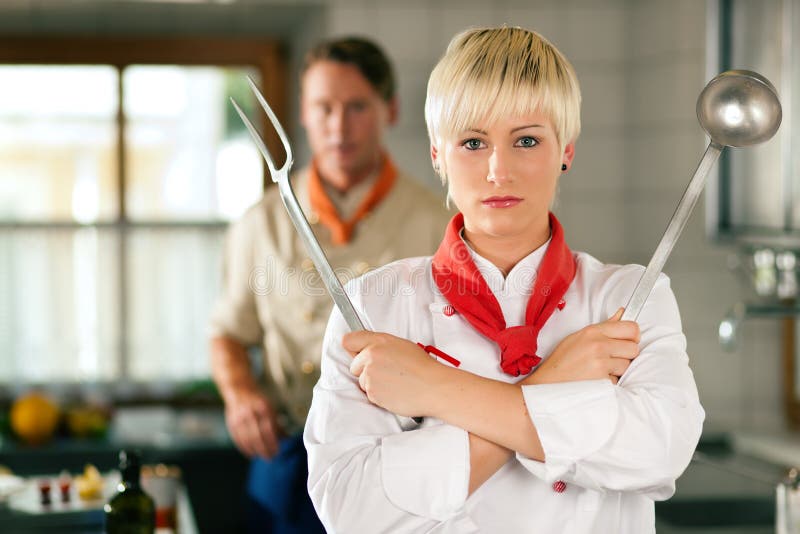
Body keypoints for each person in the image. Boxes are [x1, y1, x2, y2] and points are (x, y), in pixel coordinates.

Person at [304, 26, 705, 533]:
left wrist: (436, 388)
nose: (499, 170)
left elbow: (659, 454)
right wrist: (554, 383)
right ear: (436, 153)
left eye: (527, 140)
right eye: (472, 141)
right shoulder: (371, 306)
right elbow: (351, 510)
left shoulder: (631, 299)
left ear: (567, 150)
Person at [209, 36, 450, 533]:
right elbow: (228, 334)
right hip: (285, 457)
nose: (339, 127)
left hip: (399, 461)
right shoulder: (260, 223)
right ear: (303, 112)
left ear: (392, 110)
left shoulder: (438, 223)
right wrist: (239, 394)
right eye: (324, 108)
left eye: (358, 107)